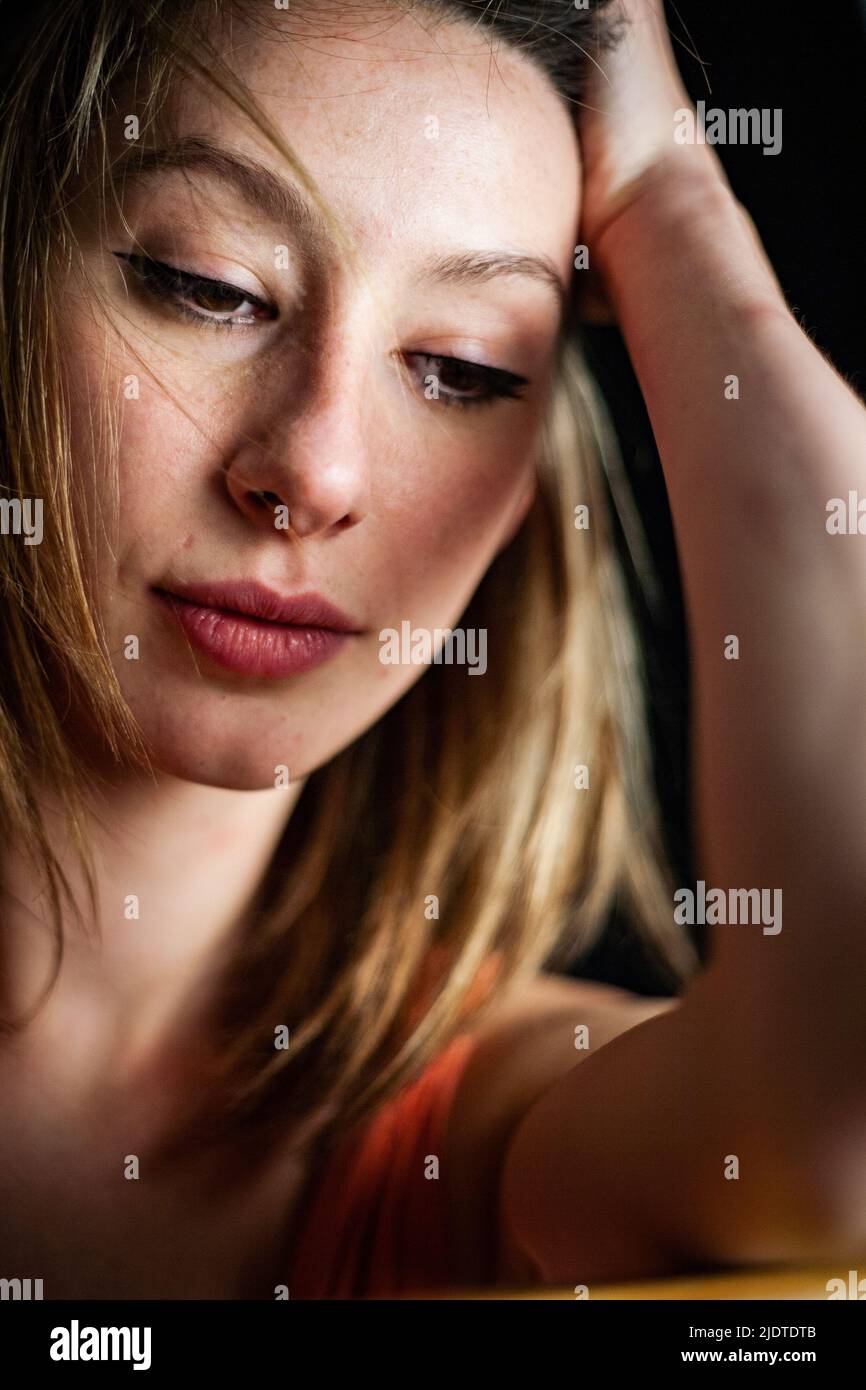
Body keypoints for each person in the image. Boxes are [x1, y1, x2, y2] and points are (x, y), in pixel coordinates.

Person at [0, 0, 864, 1298]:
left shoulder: (478, 1148)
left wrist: (672, 207)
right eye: (210, 287)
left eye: (463, 369)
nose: (315, 470)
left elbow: (841, 1106)